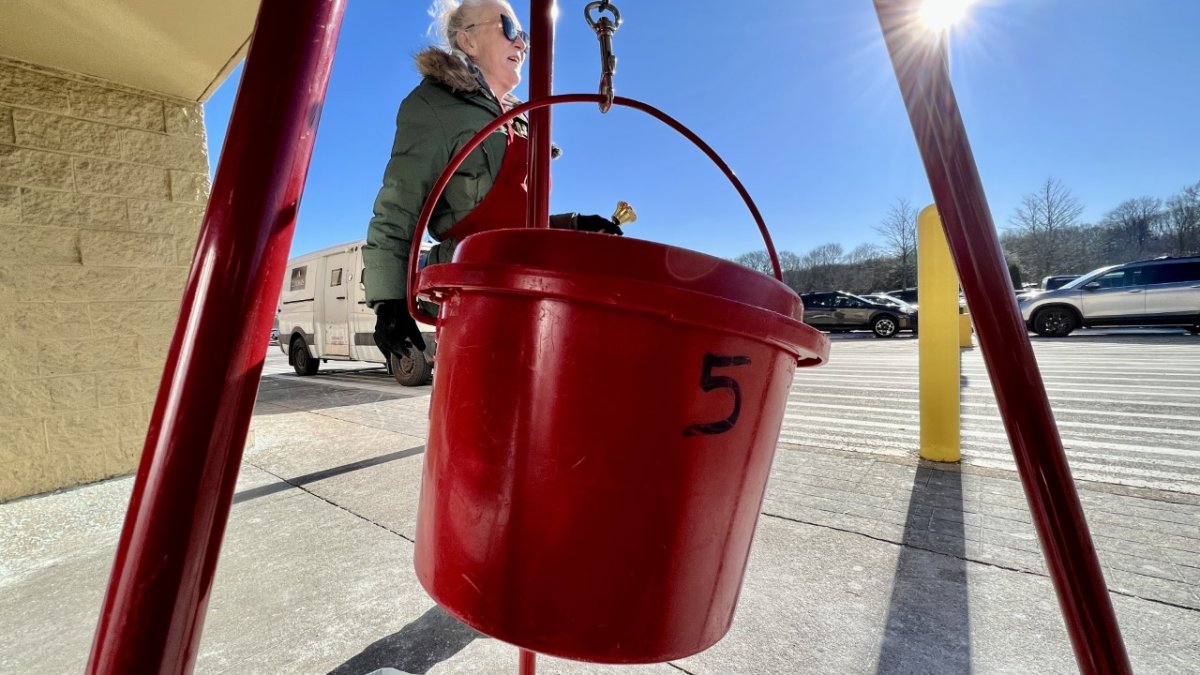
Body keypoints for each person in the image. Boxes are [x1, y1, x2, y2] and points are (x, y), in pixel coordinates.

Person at [364, 0, 624, 361]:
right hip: (475, 293)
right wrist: (389, 300)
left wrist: (575, 225)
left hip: (529, 289)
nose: (521, 44)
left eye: (526, 37)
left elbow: (516, 226)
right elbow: (399, 205)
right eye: (509, 29)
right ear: (466, 41)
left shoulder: (521, 119)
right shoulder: (436, 106)